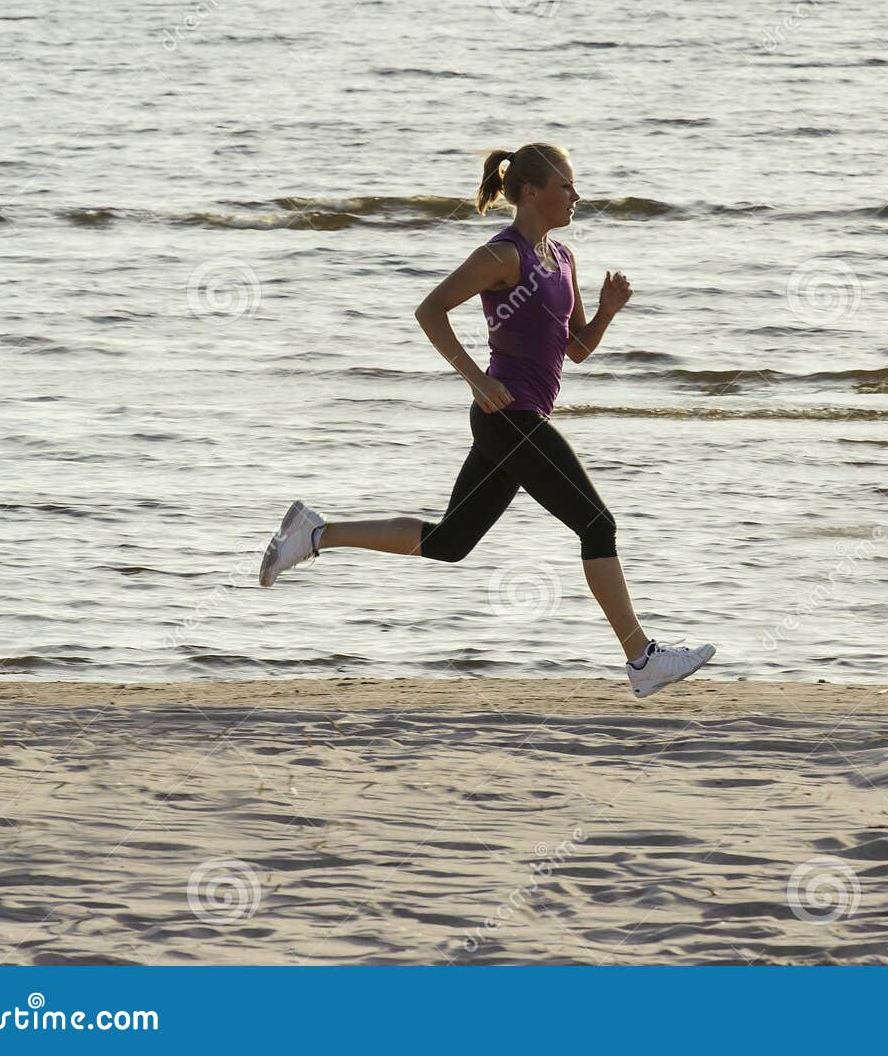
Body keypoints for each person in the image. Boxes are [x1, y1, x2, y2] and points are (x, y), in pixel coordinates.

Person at [258, 143, 716, 698]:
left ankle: (315, 533)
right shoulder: (504, 256)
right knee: (598, 525)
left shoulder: (563, 259)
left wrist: (607, 313)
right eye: (567, 186)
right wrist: (476, 377)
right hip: (509, 419)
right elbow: (430, 311)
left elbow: (575, 348)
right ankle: (642, 659)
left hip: (515, 421)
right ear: (531, 192)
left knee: (451, 542)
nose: (576, 196)